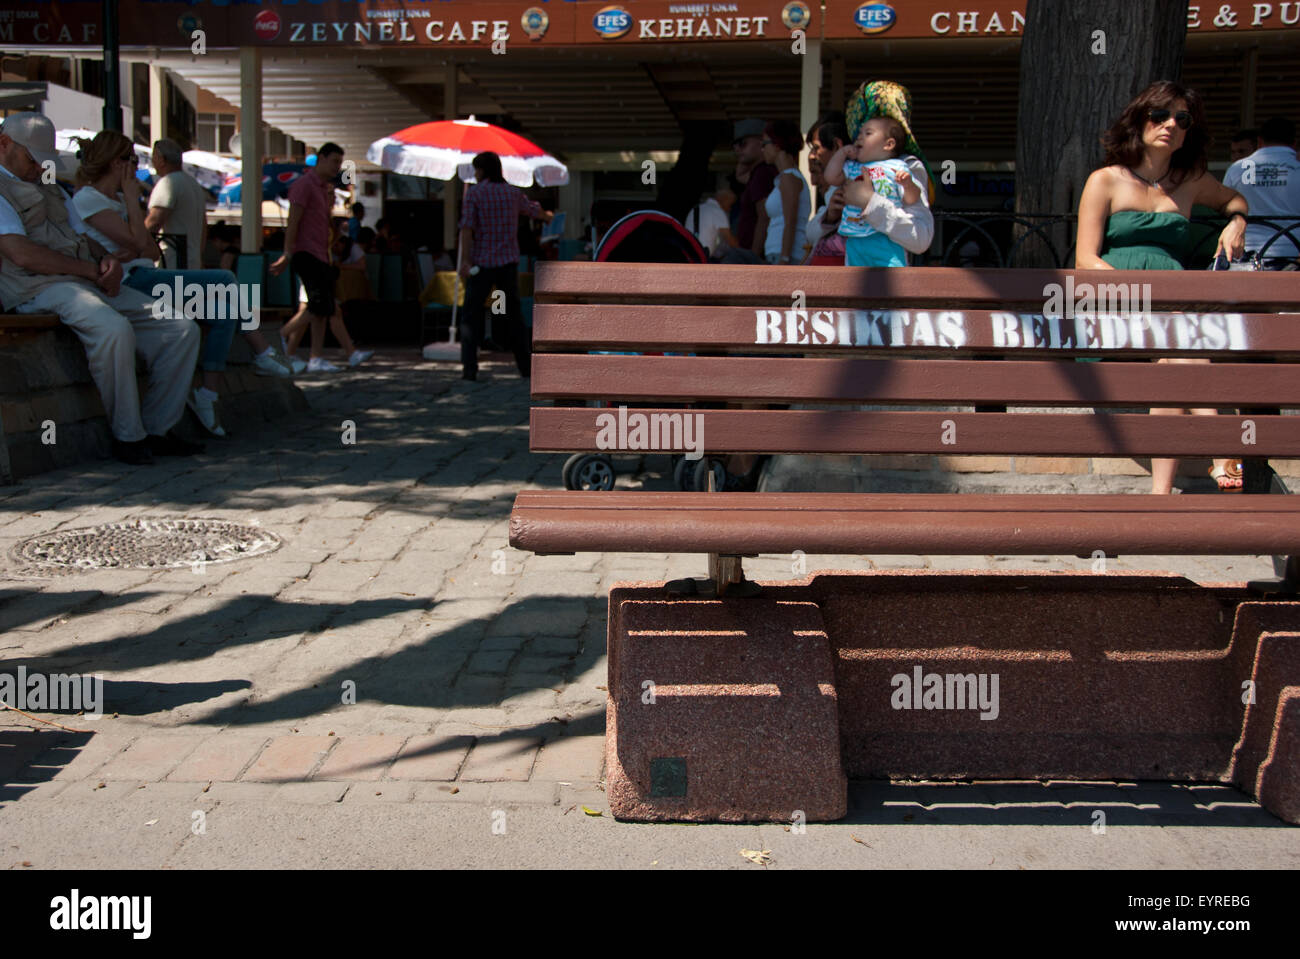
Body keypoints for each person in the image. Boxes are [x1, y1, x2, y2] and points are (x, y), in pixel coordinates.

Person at [1074, 80, 1249, 494]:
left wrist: (1236, 224)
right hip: (1111, 301)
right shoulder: (1105, 180)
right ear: (1139, 120)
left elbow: (1233, 199)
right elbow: (1084, 258)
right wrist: (1138, 295)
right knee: (1180, 339)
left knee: (1173, 363)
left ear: (1188, 132)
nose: (1170, 124)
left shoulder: (1190, 181)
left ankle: (1160, 496)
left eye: (1181, 119)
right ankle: (1224, 448)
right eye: (1160, 115)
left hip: (1169, 310)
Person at [0, 113, 200, 465]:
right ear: (4, 145)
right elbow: (22, 254)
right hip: (35, 286)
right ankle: (129, 436)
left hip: (80, 278)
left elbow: (81, 239)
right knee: (113, 329)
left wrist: (106, 261)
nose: (38, 168)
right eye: (33, 159)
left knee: (180, 328)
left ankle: (158, 427)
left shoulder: (53, 188)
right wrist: (93, 269)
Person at [144, 138, 294, 386]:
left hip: (169, 270)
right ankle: (256, 357)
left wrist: (138, 245)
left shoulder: (167, 183)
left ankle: (211, 389)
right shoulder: (192, 185)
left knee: (223, 299)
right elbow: (203, 231)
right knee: (223, 300)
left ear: (159, 159)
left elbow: (153, 223)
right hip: (188, 265)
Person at [270, 141, 372, 372]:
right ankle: (276, 340)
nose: (338, 167)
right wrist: (287, 253)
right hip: (306, 253)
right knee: (318, 305)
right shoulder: (304, 186)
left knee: (323, 308)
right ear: (322, 158)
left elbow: (323, 225)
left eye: (340, 162)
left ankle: (315, 357)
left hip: (320, 253)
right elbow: (293, 222)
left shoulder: (323, 189)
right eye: (335, 161)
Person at [457, 150, 553, 380]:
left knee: (471, 316)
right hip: (508, 263)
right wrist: (549, 217)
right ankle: (525, 367)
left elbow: (467, 228)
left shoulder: (475, 194)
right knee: (514, 317)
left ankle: (470, 369)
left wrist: (464, 260)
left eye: (476, 169)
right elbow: (535, 212)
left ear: (482, 170)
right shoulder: (512, 193)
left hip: (481, 264)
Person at [842, 80, 937, 261]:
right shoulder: (851, 165)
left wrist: (871, 203)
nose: (860, 135)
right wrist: (831, 217)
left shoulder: (906, 167)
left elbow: (920, 238)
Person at [824, 116, 922, 267]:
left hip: (886, 238)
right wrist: (841, 153)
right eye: (859, 133)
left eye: (868, 133)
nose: (860, 137)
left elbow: (911, 199)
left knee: (893, 284)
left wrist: (908, 185)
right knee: (854, 285)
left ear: (888, 144)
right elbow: (830, 177)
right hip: (854, 238)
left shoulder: (898, 166)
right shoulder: (852, 166)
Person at [1224, 116, 1299, 269]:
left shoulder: (1237, 168)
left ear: (1259, 142)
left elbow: (1222, 208)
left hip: (1242, 256)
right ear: (1294, 143)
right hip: (1292, 256)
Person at [717, 119, 776, 264]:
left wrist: (753, 258)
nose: (737, 149)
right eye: (735, 145)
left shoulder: (762, 173)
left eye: (742, 143)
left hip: (753, 256)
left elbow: (764, 217)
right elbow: (740, 176)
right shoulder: (758, 173)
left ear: (761, 142)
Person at [753, 120, 810, 265]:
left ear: (777, 145)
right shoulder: (787, 177)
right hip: (778, 253)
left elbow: (790, 221)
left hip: (784, 256)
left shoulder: (789, 177)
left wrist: (784, 259)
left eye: (764, 144)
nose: (762, 149)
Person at [803, 115, 849, 265]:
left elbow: (812, 234)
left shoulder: (852, 183)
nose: (812, 156)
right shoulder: (834, 190)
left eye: (816, 148)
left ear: (836, 146)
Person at [683, 176, 737, 258]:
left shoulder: (696, 208)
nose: (730, 209)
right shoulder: (718, 211)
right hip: (702, 256)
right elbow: (730, 240)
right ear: (724, 200)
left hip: (689, 253)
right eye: (731, 205)